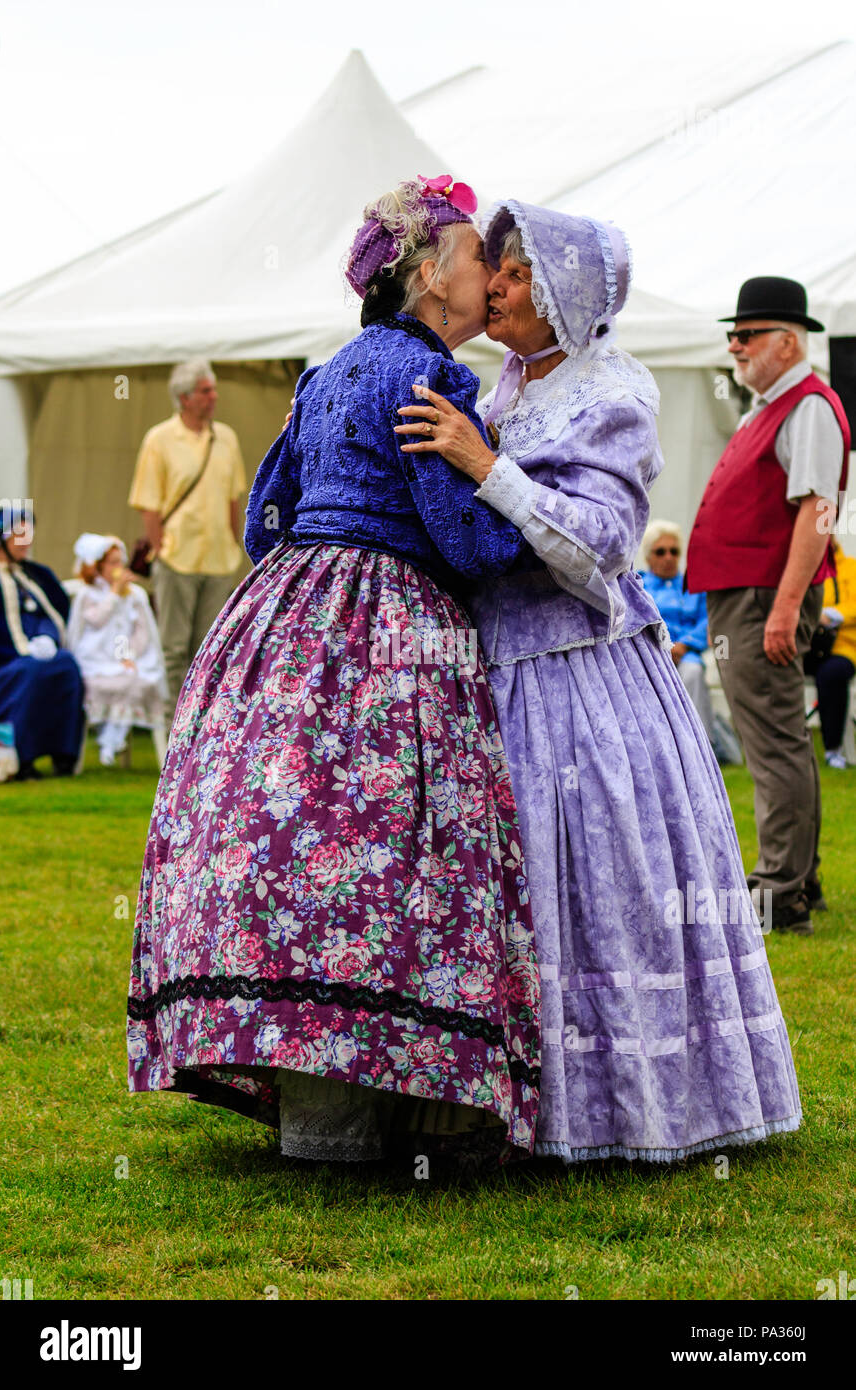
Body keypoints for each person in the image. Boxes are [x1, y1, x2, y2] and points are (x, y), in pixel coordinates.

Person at [126, 177, 540, 1163]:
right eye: (477, 258)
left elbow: (267, 510)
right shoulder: (436, 382)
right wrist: (520, 508)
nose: (489, 276)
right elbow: (469, 542)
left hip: (286, 614)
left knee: (292, 840)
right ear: (431, 280)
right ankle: (382, 1103)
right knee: (391, 850)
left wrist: (321, 549)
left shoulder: (328, 369)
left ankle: (309, 1106)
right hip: (390, 624)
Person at [397, 202, 801, 1162]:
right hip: (486, 670)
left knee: (583, 874)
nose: (492, 284)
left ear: (571, 293)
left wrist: (487, 467)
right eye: (492, 269)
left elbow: (604, 549)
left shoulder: (612, 390)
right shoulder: (496, 383)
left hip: (580, 676)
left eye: (516, 274)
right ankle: (477, 1100)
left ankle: (610, 1104)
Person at [686, 278, 850, 935]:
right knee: (778, 742)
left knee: (773, 745)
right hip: (754, 592)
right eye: (735, 334)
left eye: (747, 335)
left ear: (788, 342)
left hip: (763, 595)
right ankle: (795, 877)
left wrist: (784, 608)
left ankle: (780, 891)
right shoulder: (780, 404)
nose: (735, 346)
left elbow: (818, 510)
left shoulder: (807, 406)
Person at [128, 359, 247, 719]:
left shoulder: (226, 437)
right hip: (176, 559)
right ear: (184, 398)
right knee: (174, 649)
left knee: (210, 648)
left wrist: (233, 541)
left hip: (218, 559)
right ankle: (171, 726)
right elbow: (148, 503)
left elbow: (233, 498)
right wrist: (162, 549)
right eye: (205, 390)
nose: (214, 396)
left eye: (213, 389)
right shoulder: (159, 439)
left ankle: (202, 726)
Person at [0, 504, 83, 779]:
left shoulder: (36, 574)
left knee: (66, 664)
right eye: (18, 534)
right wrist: (21, 650)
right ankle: (21, 758)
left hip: (33, 658)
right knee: (30, 672)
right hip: (0, 665)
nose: (26, 541)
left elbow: (54, 611)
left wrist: (48, 638)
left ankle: (64, 755)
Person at [67, 533, 167, 767]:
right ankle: (111, 739)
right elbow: (95, 621)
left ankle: (112, 739)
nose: (118, 567)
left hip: (125, 659)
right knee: (111, 682)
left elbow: (140, 632)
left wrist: (127, 656)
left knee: (135, 678)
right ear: (97, 566)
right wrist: (113, 594)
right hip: (96, 659)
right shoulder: (88, 595)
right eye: (112, 562)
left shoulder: (134, 596)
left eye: (119, 561)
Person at [640, 519, 715, 740]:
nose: (669, 557)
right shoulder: (639, 585)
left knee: (692, 672)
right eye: (660, 552)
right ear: (648, 557)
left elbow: (708, 621)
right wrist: (664, 648)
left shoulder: (694, 585)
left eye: (674, 551)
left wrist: (683, 645)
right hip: (652, 654)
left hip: (687, 653)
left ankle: (702, 744)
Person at [810, 539, 856, 770]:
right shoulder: (806, 569)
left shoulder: (851, 567)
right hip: (808, 646)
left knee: (832, 674)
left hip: (843, 647)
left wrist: (830, 614)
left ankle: (833, 750)